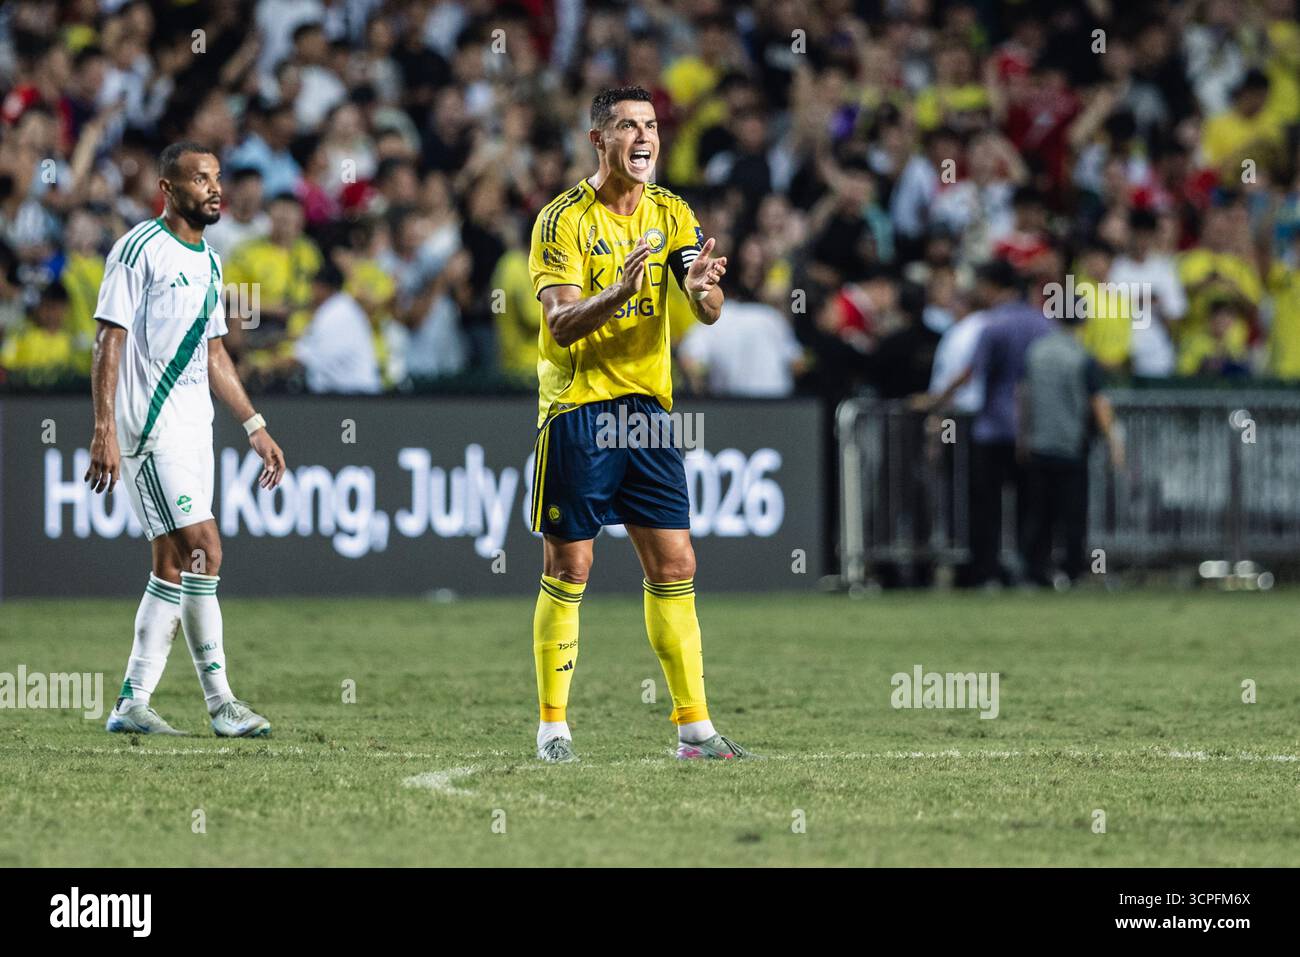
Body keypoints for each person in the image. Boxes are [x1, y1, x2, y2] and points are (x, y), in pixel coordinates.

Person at [526, 86, 748, 762]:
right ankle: (553, 726)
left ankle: (694, 729)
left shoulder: (673, 211)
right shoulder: (561, 219)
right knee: (572, 563)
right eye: (628, 125)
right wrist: (618, 291)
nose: (643, 136)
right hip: (580, 410)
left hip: (648, 415)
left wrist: (707, 286)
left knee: (676, 560)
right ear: (599, 140)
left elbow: (703, 303)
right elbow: (560, 323)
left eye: (651, 125)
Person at [84, 141, 285, 738]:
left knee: (172, 566)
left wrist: (254, 424)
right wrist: (103, 428)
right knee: (206, 549)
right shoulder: (137, 249)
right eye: (200, 179)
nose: (215, 189)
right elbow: (108, 340)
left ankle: (131, 702)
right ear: (168, 189)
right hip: (148, 427)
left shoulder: (212, 262)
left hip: (196, 429)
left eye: (216, 177)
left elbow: (215, 352)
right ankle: (222, 703)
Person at [1019, 307, 1125, 587]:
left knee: (1039, 514)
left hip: (1039, 443)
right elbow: (1097, 402)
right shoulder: (1081, 357)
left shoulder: (1036, 352)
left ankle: (1035, 571)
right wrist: (1114, 440)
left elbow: (1023, 397)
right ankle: (1071, 572)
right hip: (1070, 445)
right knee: (1073, 515)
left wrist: (1023, 436)